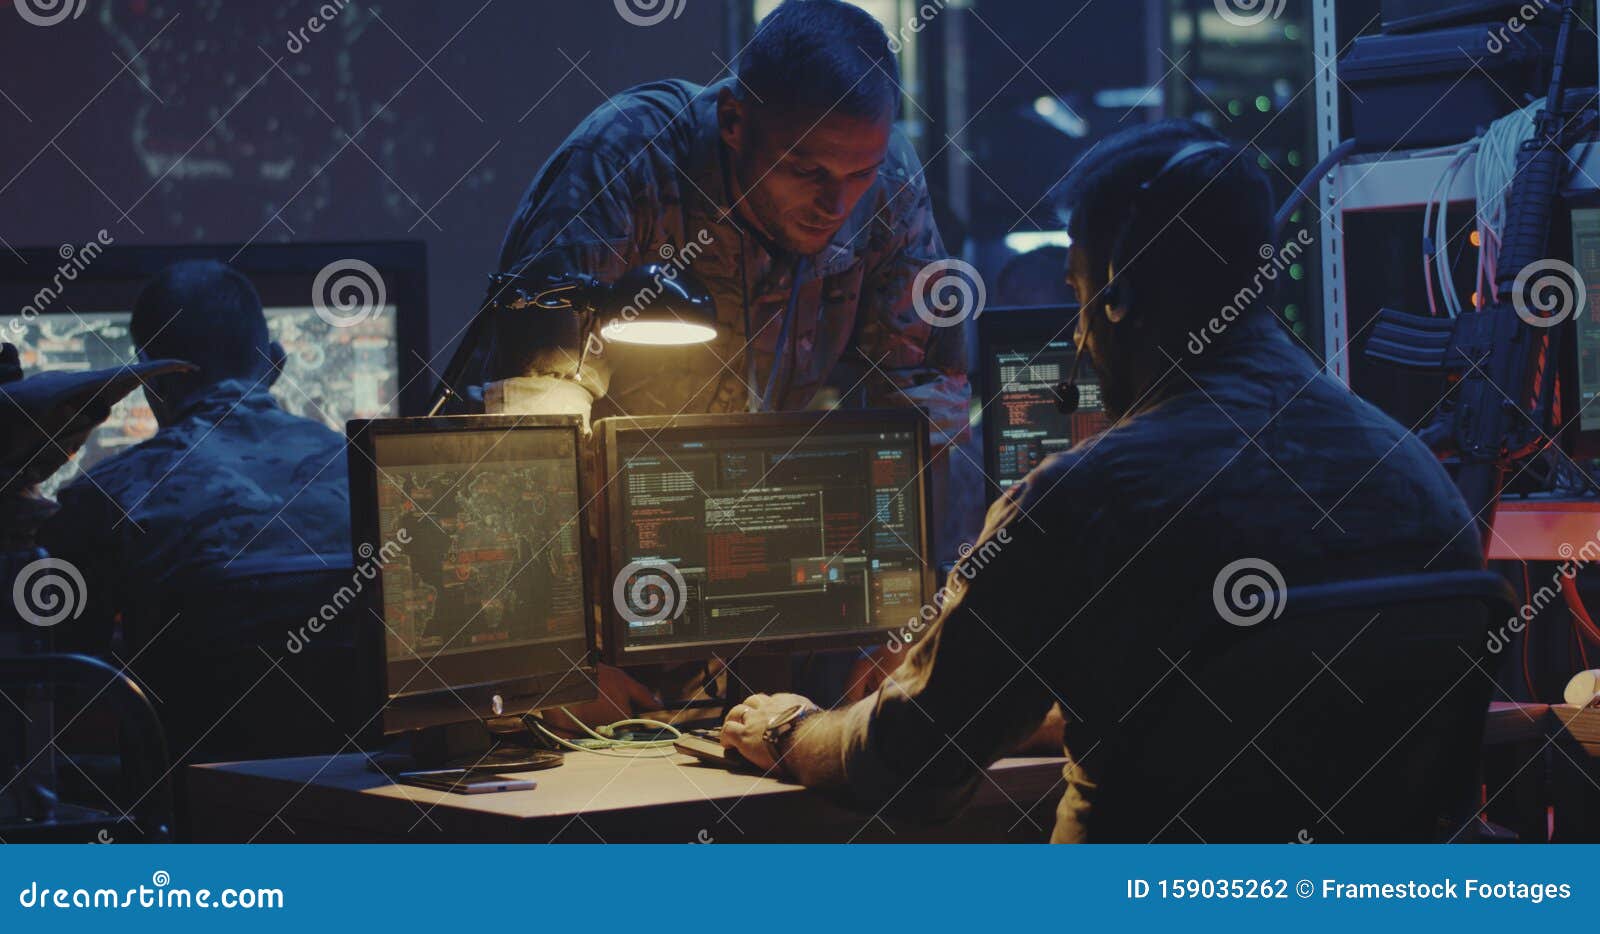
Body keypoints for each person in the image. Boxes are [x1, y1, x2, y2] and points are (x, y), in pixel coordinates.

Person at [718, 119, 1486, 842]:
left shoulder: (1084, 500)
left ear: (1119, 297)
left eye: (1081, 292)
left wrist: (791, 729)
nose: (1080, 335)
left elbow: (916, 759)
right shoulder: (1418, 483)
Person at [492, 0, 970, 721]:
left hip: (778, 582)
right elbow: (533, 419)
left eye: (857, 171)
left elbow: (924, 401)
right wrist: (550, 655)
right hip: (606, 587)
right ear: (736, 121)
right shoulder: (625, 160)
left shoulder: (886, 178)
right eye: (804, 168)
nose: (833, 202)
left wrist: (912, 614)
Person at [39, 261, 353, 766]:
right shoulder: (370, 476)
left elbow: (55, 688)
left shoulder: (104, 499)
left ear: (151, 382)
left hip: (191, 819)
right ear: (274, 363)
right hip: (375, 816)